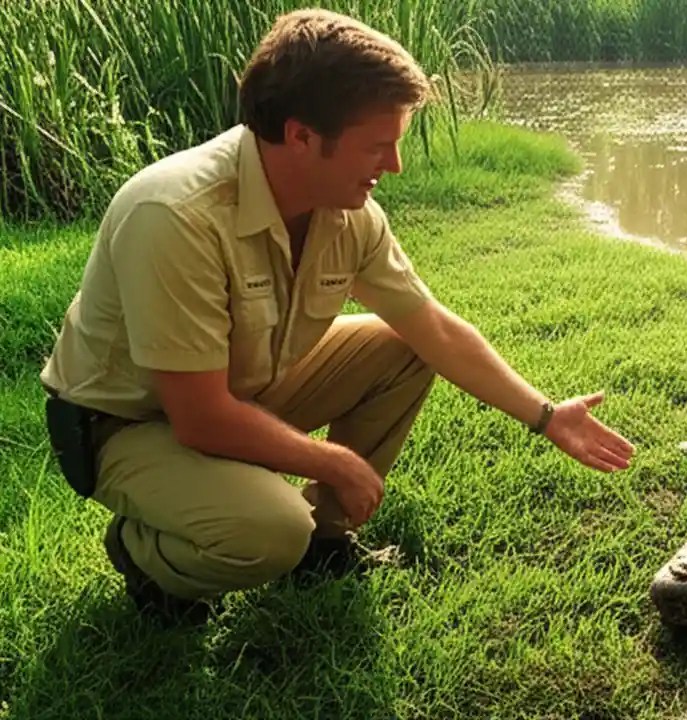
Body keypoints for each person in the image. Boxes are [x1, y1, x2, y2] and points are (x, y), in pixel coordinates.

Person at [38, 8, 635, 624]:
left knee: (403, 347)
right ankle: (145, 555)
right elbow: (199, 417)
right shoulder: (174, 214)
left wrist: (545, 414)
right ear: (300, 136)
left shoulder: (348, 212)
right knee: (271, 529)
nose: (395, 165)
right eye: (378, 145)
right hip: (125, 423)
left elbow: (431, 327)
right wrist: (332, 461)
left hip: (238, 386)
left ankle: (323, 544)